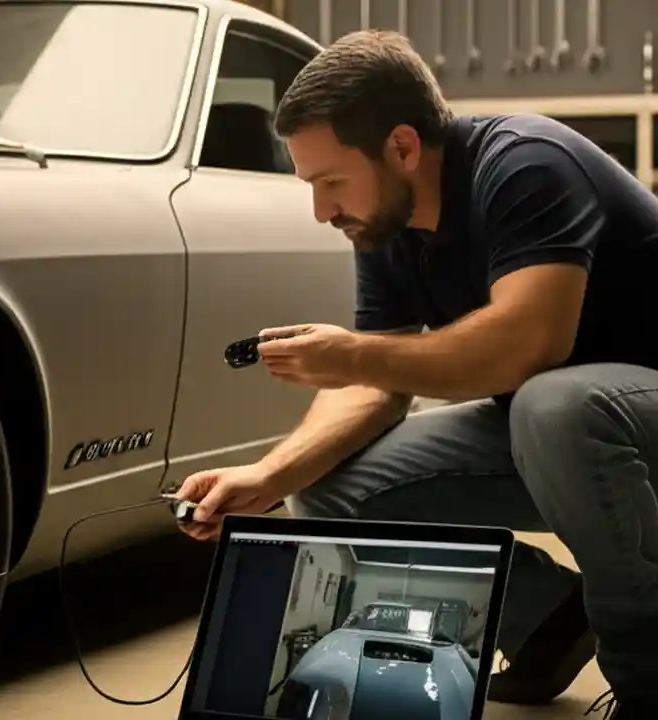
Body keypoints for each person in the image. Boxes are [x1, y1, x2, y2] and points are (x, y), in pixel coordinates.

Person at [175, 29, 658, 720]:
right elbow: (374, 386)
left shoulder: (526, 164)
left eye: (332, 182)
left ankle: (650, 681)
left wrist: (350, 354)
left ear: (402, 147)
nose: (322, 210)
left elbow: (529, 345)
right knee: (327, 492)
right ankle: (552, 623)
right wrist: (270, 476)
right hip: (565, 435)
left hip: (623, 415)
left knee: (551, 405)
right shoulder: (386, 225)